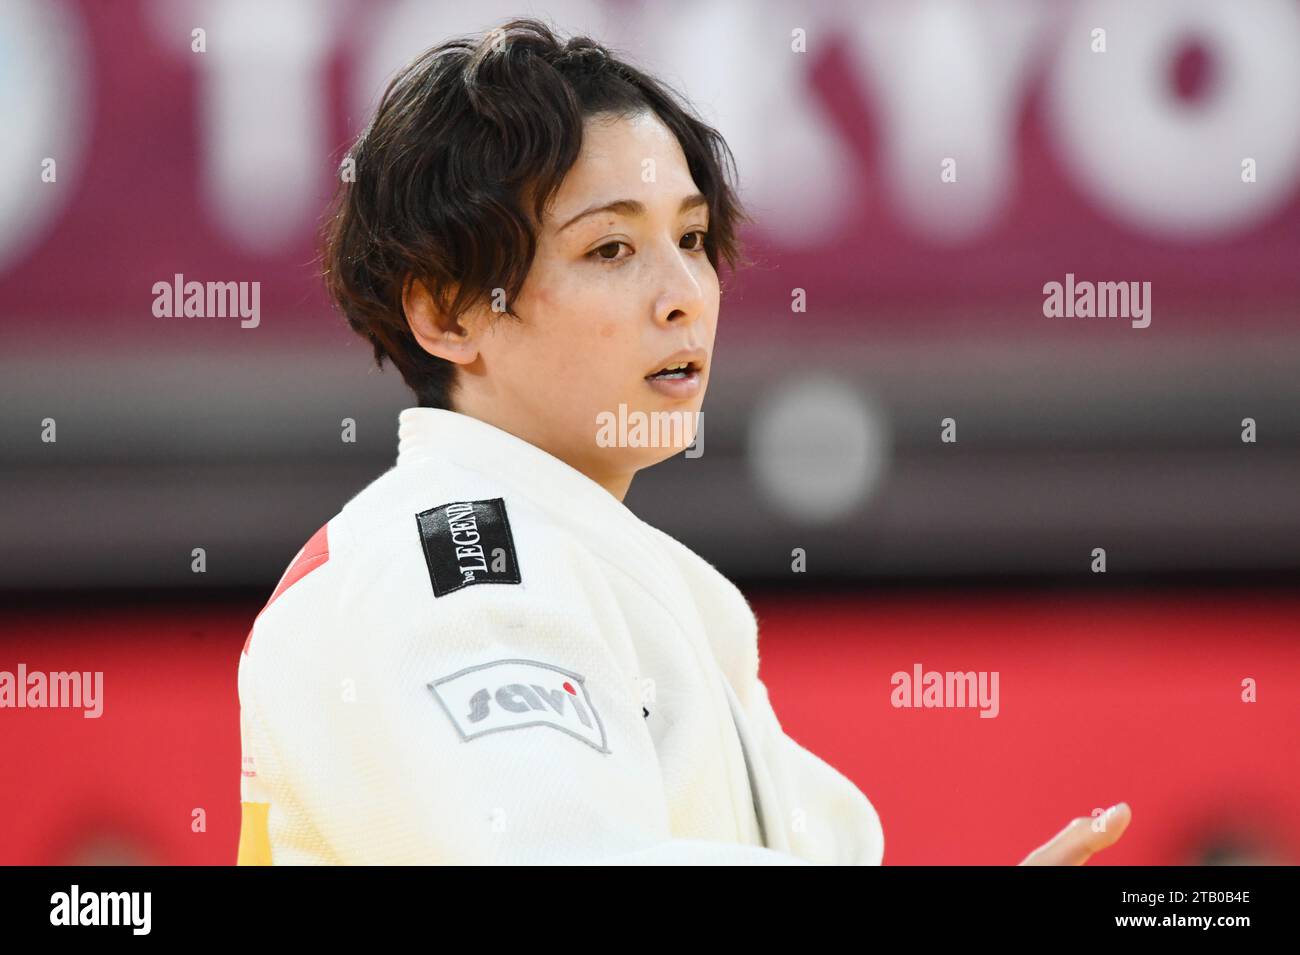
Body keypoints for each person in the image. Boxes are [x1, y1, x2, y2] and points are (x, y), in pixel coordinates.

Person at [236, 16, 1130, 865]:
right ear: (446, 311)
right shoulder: (456, 563)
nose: (684, 295)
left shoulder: (637, 578)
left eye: (693, 237)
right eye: (611, 250)